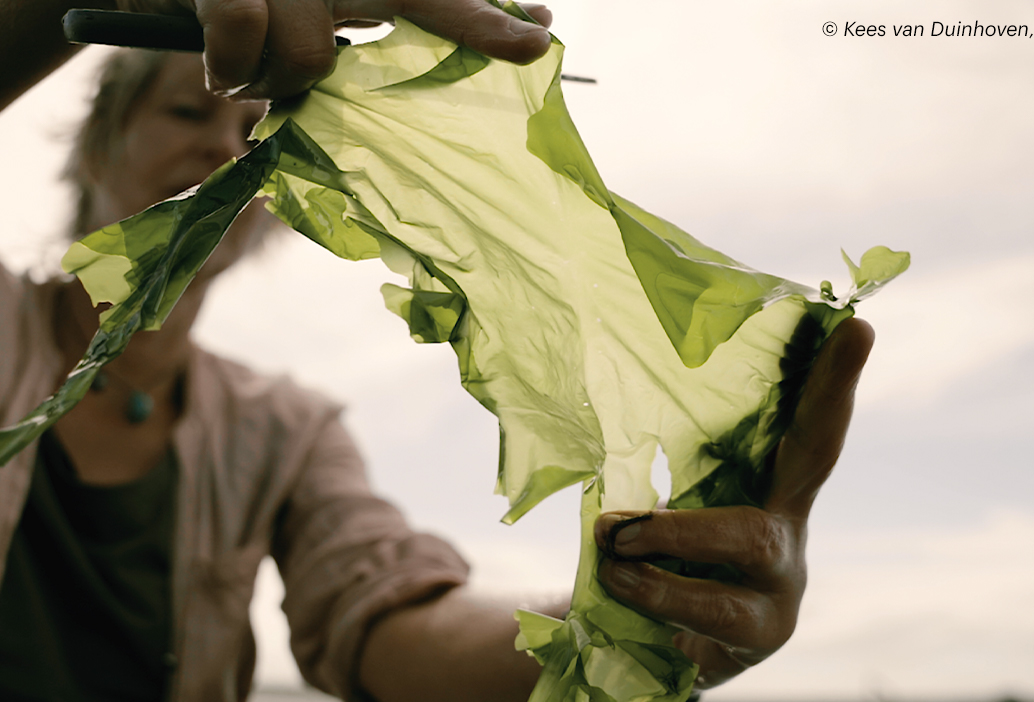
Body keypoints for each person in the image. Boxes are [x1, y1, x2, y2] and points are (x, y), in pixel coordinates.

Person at [0, 1, 876, 701]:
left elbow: (385, 624)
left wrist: (613, 623)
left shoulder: (283, 430)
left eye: (259, 135)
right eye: (190, 109)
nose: (223, 148)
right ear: (98, 140)